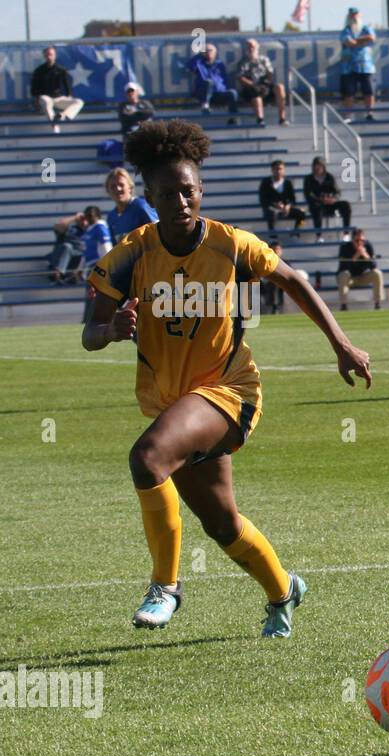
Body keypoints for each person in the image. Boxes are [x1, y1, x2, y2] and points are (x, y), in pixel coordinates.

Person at [83, 119, 370, 635]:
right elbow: (90, 332)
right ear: (151, 195)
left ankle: (166, 587)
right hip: (173, 401)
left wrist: (341, 344)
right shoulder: (131, 253)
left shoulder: (231, 244)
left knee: (147, 459)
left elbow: (294, 281)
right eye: (168, 193)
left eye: (189, 190)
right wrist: (111, 330)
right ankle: (284, 591)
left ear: (201, 190)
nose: (181, 201)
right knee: (221, 524)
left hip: (229, 391)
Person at [30, 46, 84, 135]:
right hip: (46, 97)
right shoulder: (39, 71)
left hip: (58, 98)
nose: (49, 57)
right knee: (45, 101)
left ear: (55, 55)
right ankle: (55, 126)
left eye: (51, 54)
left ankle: (63, 115)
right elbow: (34, 89)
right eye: (47, 55)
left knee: (79, 102)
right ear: (44, 56)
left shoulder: (61, 69)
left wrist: (68, 96)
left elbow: (67, 86)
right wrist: (36, 99)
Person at [235, 38, 287, 128]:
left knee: (280, 87)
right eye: (249, 47)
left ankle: (282, 118)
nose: (251, 49)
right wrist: (254, 85)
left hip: (264, 86)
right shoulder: (243, 62)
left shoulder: (264, 59)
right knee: (257, 98)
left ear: (257, 47)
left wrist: (266, 83)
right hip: (251, 88)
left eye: (253, 46)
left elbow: (270, 73)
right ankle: (260, 120)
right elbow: (240, 77)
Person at [340, 7, 378, 121]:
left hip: (365, 66)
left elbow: (372, 39)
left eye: (356, 14)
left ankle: (369, 113)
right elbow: (349, 43)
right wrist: (362, 41)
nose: (354, 17)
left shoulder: (366, 28)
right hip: (349, 67)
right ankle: (348, 115)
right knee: (349, 92)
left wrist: (356, 40)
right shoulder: (345, 30)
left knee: (368, 90)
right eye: (352, 15)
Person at [104, 167, 159, 245]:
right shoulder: (111, 216)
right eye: (113, 186)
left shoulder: (141, 207)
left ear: (130, 187)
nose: (118, 189)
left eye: (121, 185)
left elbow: (159, 235)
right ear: (108, 190)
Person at [302, 156, 352, 241]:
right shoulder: (308, 179)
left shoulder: (329, 177)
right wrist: (320, 199)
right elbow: (308, 194)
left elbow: (337, 192)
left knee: (346, 205)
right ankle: (319, 235)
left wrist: (333, 199)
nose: (317, 168)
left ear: (324, 166)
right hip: (317, 205)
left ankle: (346, 233)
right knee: (316, 207)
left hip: (330, 204)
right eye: (316, 165)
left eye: (320, 165)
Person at [187, 44, 238, 124]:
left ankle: (233, 118)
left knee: (233, 93)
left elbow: (223, 80)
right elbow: (190, 66)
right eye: (206, 51)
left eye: (210, 50)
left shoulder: (220, 64)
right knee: (209, 82)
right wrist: (200, 54)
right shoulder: (199, 63)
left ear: (215, 52)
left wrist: (222, 89)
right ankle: (205, 106)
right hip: (203, 94)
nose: (208, 53)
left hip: (217, 93)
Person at [79, 207, 112, 322]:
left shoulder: (100, 227)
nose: (88, 218)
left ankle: (93, 319)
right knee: (90, 295)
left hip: (98, 266)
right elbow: (86, 252)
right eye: (87, 215)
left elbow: (106, 246)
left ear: (97, 216)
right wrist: (80, 268)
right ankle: (88, 319)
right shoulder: (90, 230)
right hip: (90, 266)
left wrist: (107, 265)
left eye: (90, 215)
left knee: (96, 295)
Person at [337, 228, 383, 310]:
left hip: (362, 277)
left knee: (377, 273)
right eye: (357, 240)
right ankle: (343, 305)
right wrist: (355, 257)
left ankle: (377, 304)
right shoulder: (345, 247)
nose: (360, 243)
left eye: (362, 240)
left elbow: (373, 266)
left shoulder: (368, 245)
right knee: (343, 275)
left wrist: (366, 256)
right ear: (352, 240)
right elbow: (343, 267)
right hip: (349, 278)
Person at [258, 159, 308, 236]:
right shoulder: (266, 182)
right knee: (271, 213)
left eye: (280, 169)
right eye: (276, 169)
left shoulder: (288, 183)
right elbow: (263, 199)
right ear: (272, 170)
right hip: (271, 208)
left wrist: (288, 206)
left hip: (285, 209)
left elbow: (293, 199)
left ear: (284, 170)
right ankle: (273, 236)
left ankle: (296, 231)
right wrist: (275, 205)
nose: (278, 171)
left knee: (302, 214)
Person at [48, 210, 87, 283]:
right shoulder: (71, 229)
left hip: (79, 260)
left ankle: (75, 276)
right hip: (63, 259)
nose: (84, 222)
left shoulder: (92, 230)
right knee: (67, 246)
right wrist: (75, 218)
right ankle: (59, 274)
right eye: (82, 219)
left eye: (86, 219)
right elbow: (58, 226)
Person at [261, 239, 286, 314]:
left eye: (277, 249)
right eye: (274, 249)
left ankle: (275, 307)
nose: (276, 251)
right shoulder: (263, 262)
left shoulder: (285, 263)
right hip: (265, 285)